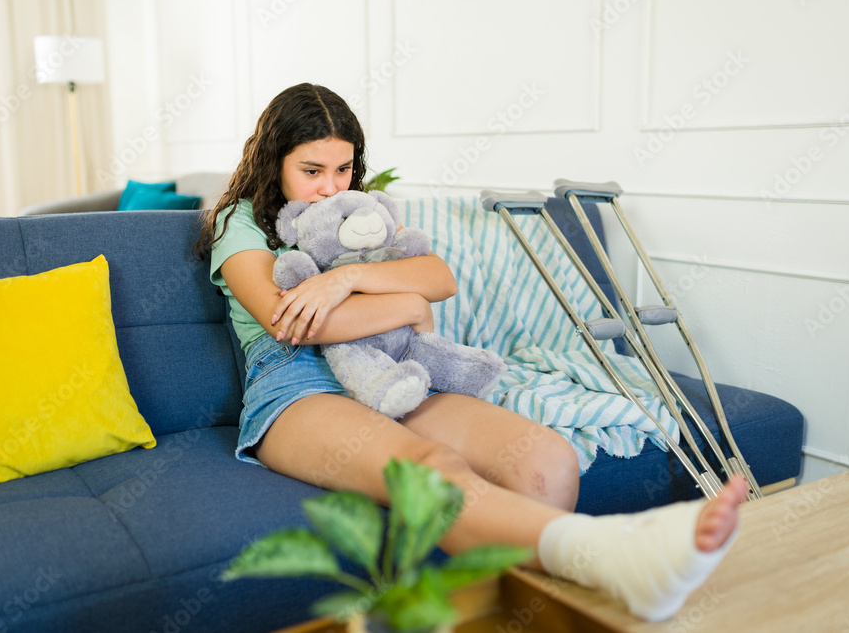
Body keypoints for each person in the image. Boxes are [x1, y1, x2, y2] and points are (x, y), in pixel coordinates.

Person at [194, 83, 747, 622]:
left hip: (392, 371)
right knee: (429, 470)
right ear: (274, 161)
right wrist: (407, 305)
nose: (330, 187)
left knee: (546, 460)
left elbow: (438, 276)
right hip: (297, 387)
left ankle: (526, 611)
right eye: (312, 171)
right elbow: (295, 325)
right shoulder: (239, 221)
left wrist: (349, 278)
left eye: (343, 169)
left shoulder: (359, 212)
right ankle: (617, 558)